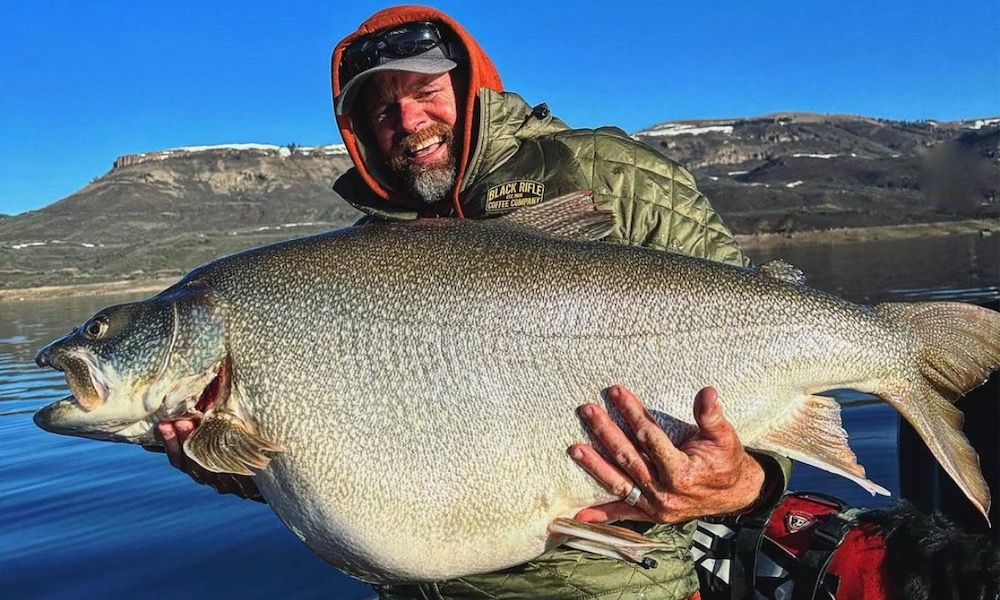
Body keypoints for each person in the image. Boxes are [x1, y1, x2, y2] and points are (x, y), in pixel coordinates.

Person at [156, 5, 792, 599]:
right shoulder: (355, 269)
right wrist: (239, 465)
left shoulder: (618, 180)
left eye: (425, 92)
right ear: (359, 135)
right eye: (381, 112)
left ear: (472, 85)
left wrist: (746, 483)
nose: (408, 122)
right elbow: (353, 462)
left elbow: (769, 351)